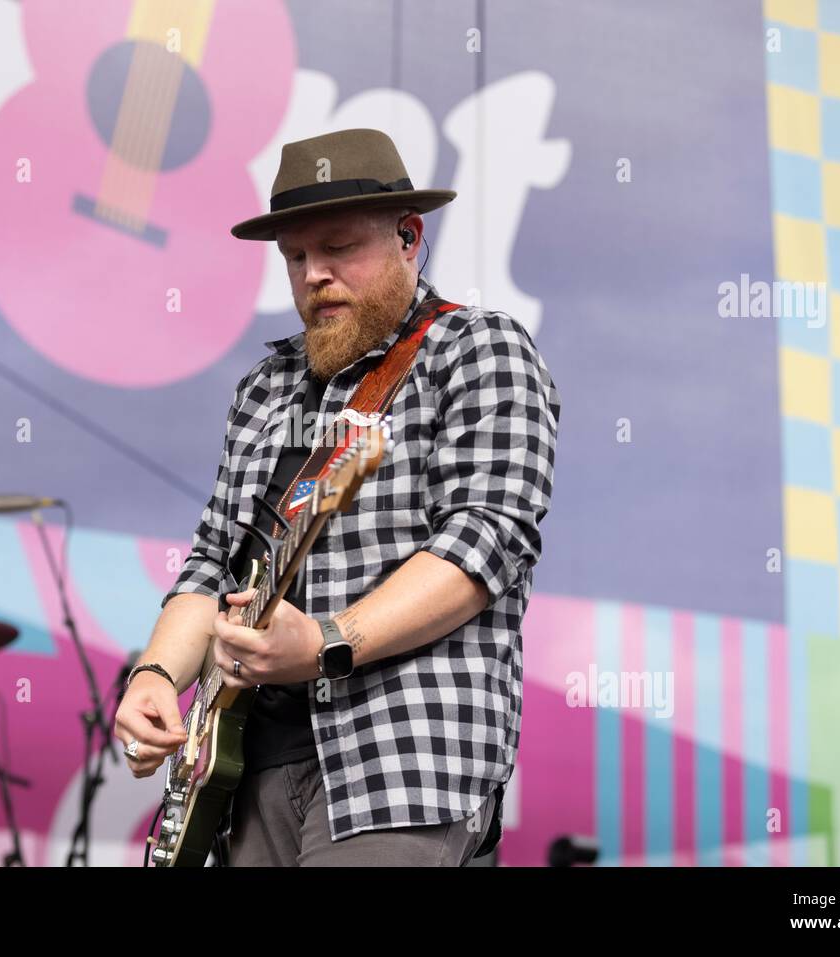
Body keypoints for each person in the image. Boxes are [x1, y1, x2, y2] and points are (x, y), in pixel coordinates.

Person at [113, 128, 560, 865]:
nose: (315, 273)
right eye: (296, 256)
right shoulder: (265, 387)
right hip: (247, 776)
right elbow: (213, 566)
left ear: (409, 237)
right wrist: (156, 675)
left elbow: (484, 540)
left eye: (340, 247)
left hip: (401, 761)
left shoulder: (479, 349)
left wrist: (324, 643)